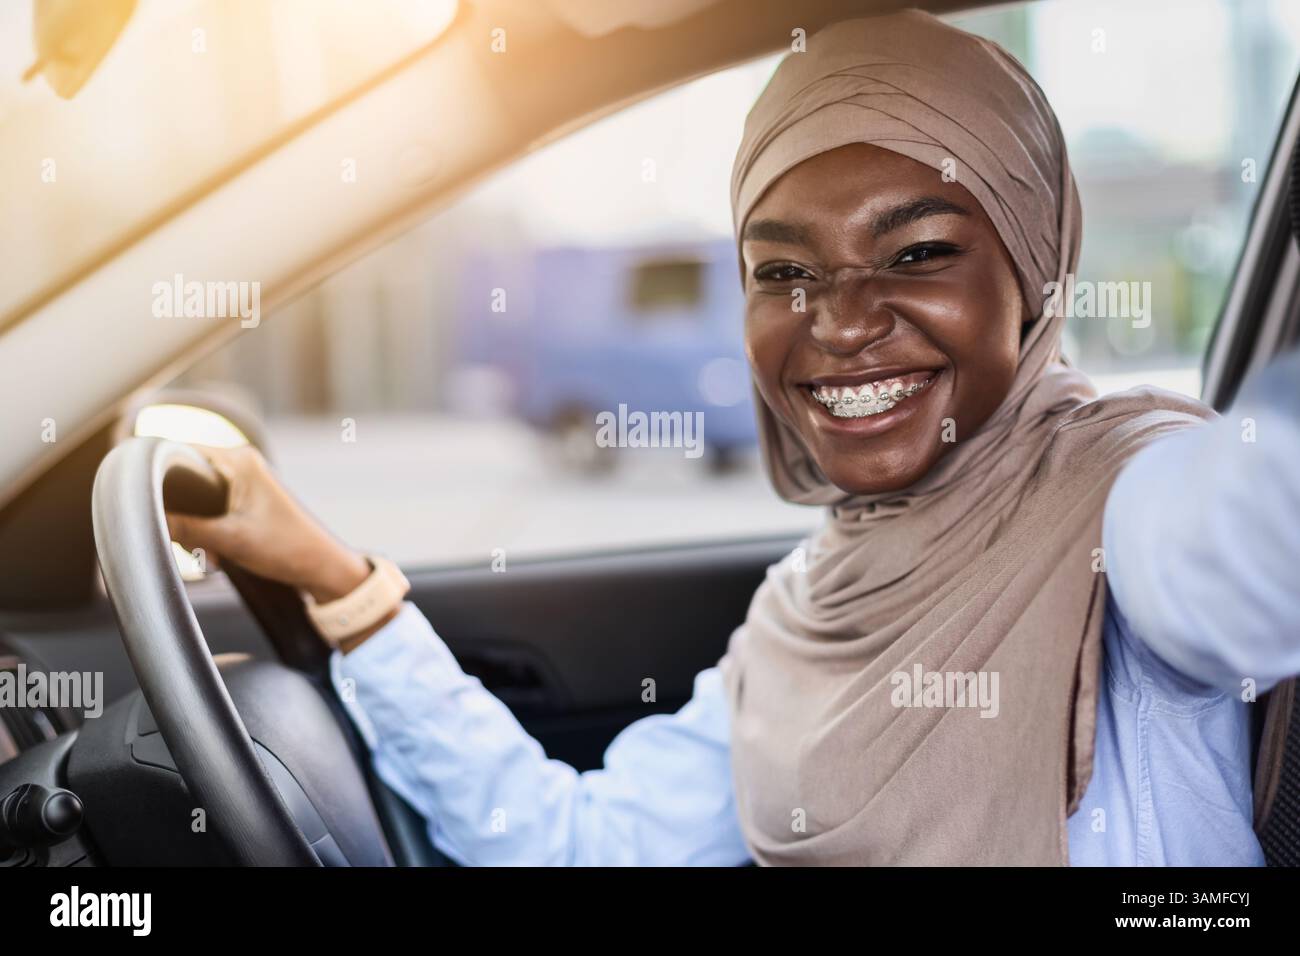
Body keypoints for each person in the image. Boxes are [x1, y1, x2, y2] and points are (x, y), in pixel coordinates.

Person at [166, 11, 1300, 865]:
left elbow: (1253, 539)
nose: (842, 322)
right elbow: (580, 845)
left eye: (916, 253)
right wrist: (337, 583)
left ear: (1036, 269)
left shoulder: (1129, 503)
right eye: (783, 271)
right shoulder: (803, 605)